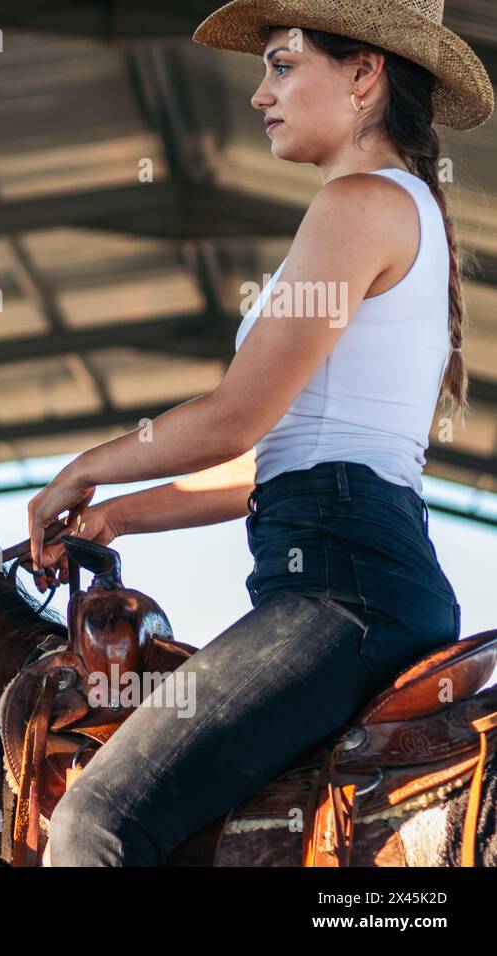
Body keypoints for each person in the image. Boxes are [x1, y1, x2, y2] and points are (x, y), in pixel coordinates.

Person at [27, 0, 492, 866]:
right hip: (361, 573)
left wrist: (81, 470)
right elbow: (268, 463)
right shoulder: (396, 208)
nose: (259, 94)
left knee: (94, 824)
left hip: (338, 591)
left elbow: (234, 417)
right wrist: (120, 516)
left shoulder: (359, 204)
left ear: (363, 75)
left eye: (282, 64)